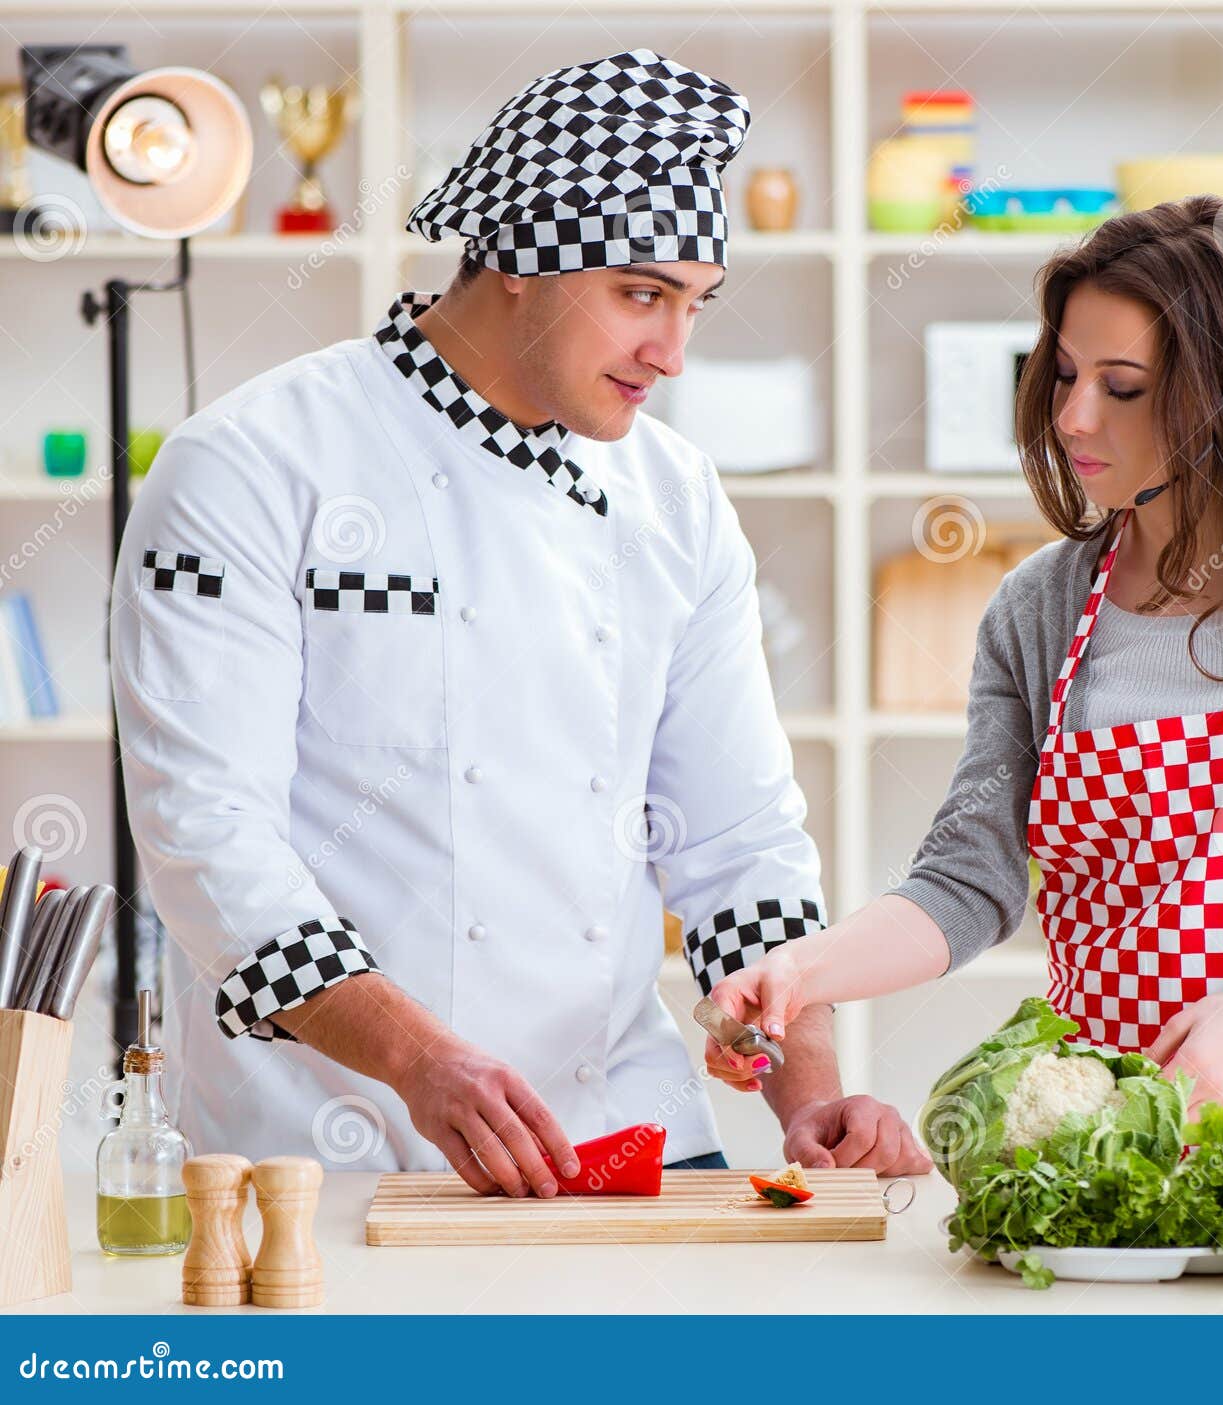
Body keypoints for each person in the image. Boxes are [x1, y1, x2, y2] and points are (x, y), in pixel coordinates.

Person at [110, 48, 928, 1195]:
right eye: (640, 293)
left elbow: (735, 838)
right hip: (332, 1143)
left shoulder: (676, 497)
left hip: (622, 1127)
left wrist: (810, 1089)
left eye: (694, 303)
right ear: (515, 259)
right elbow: (208, 833)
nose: (672, 352)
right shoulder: (251, 464)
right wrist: (420, 1059)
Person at [704, 194, 1223, 1168]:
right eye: (1062, 374)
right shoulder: (1040, 608)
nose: (1071, 415)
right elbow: (968, 880)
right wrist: (800, 972)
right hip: (1101, 1153)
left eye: (1122, 385)